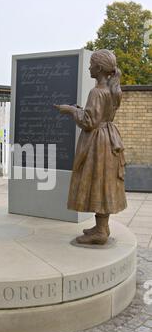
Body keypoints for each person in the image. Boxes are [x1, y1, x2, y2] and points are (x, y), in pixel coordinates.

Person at [54, 49, 127, 245]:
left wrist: (70, 110)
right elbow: (99, 116)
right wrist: (80, 110)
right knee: (104, 183)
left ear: (100, 68)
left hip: (98, 143)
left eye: (92, 64)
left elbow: (89, 122)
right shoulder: (112, 91)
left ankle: (100, 232)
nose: (89, 67)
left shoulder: (97, 91)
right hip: (110, 138)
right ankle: (101, 226)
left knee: (98, 182)